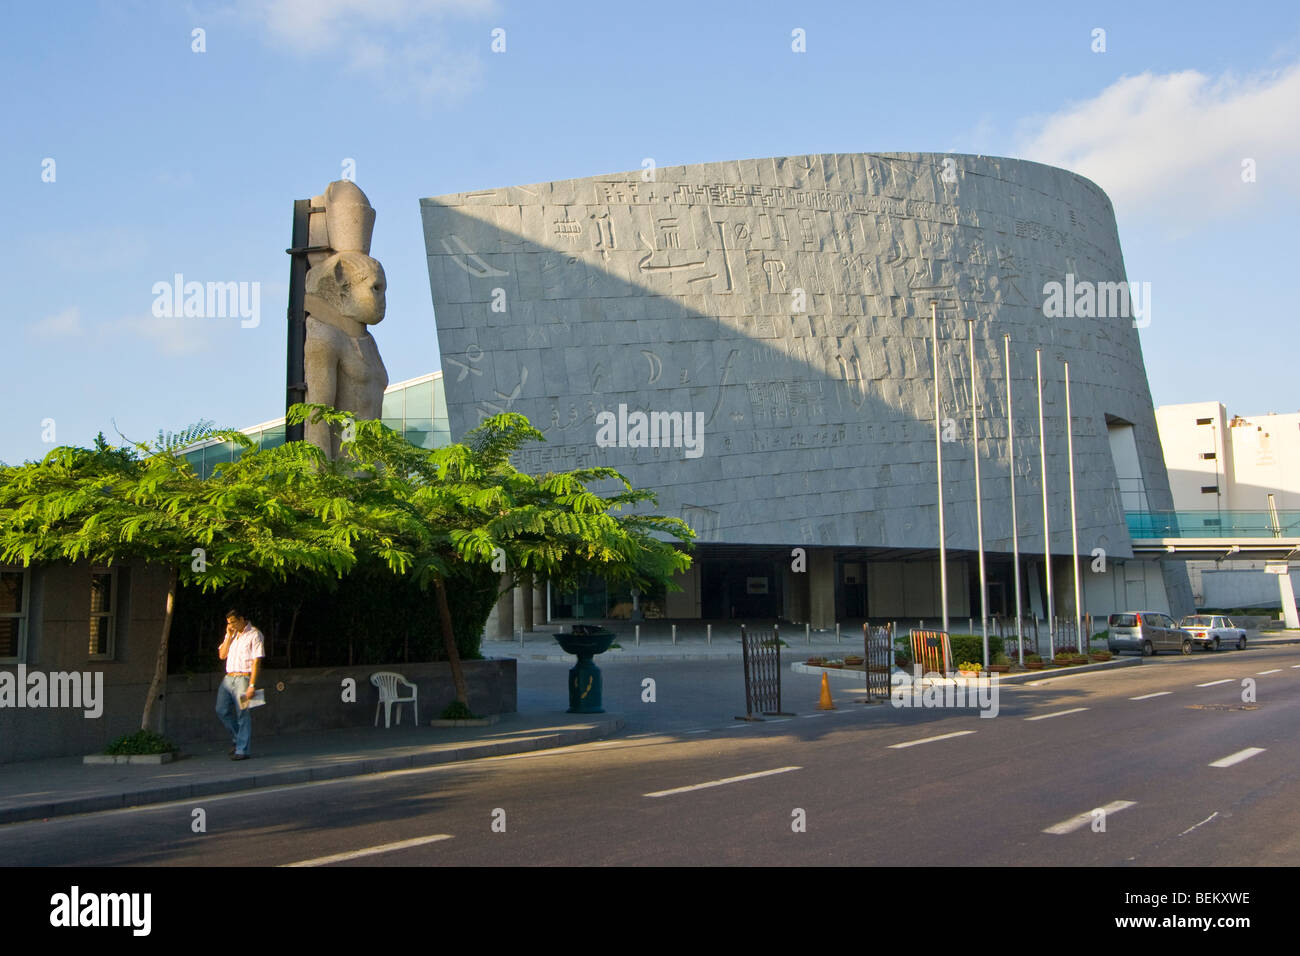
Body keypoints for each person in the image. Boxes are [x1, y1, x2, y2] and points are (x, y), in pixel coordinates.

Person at [215, 608, 264, 760]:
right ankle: (238, 739)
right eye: (229, 623)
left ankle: (242, 750)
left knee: (243, 714)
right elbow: (222, 655)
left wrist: (252, 685)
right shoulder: (232, 634)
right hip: (229, 678)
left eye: (233, 622)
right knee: (221, 710)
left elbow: (257, 661)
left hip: (244, 678)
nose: (231, 625)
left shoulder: (254, 634)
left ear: (242, 619)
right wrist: (229, 636)